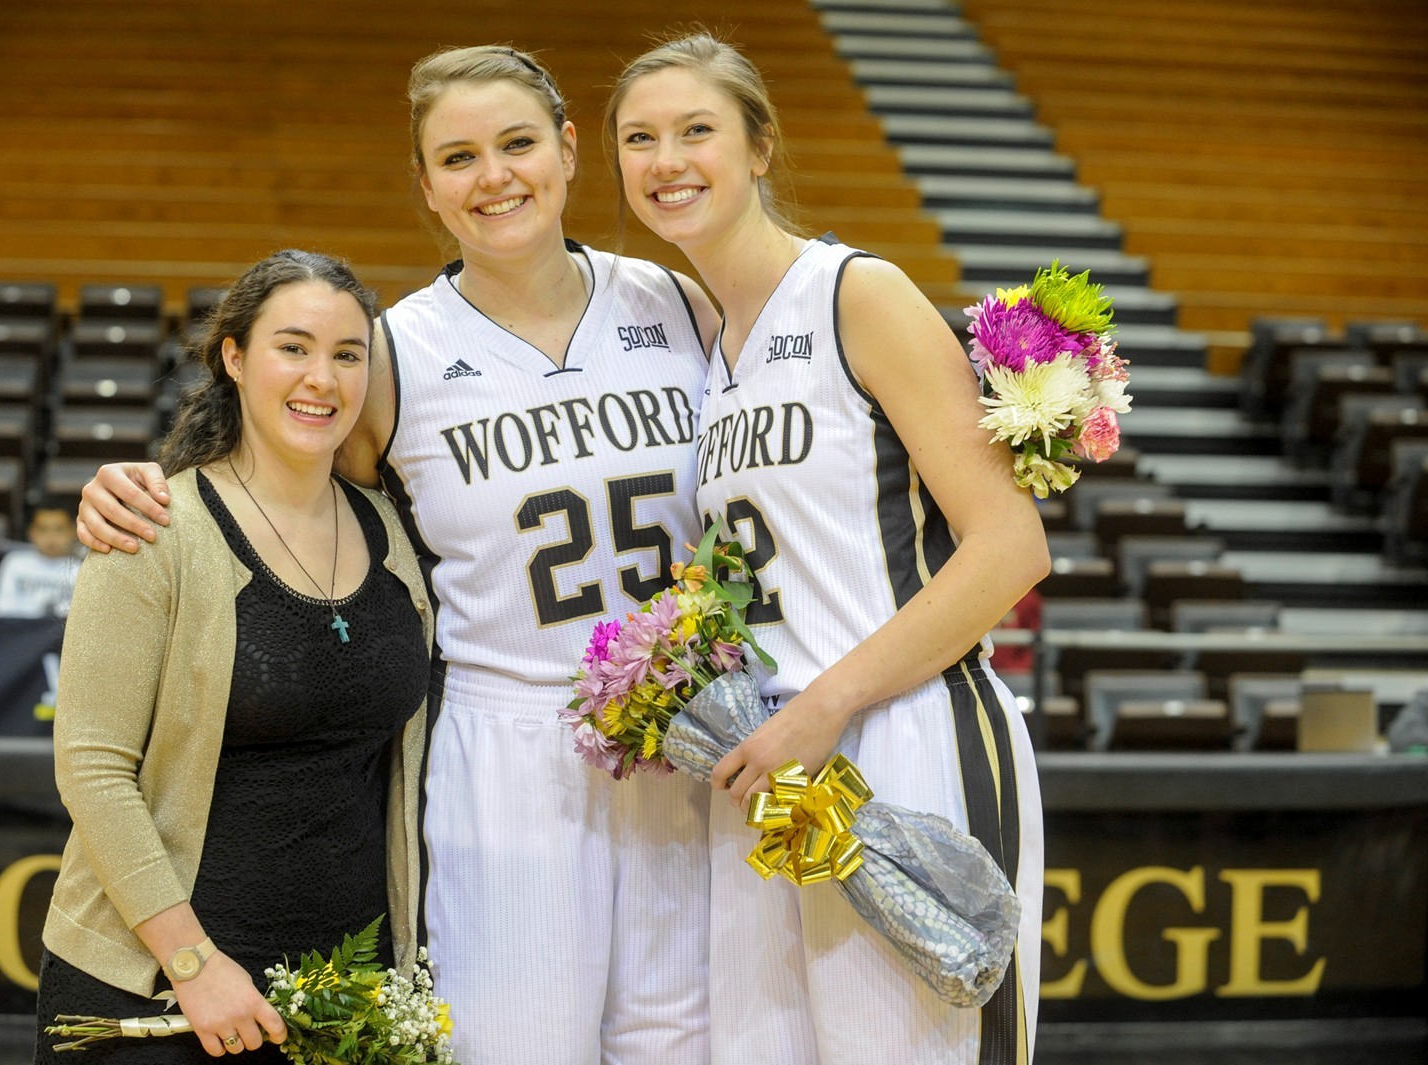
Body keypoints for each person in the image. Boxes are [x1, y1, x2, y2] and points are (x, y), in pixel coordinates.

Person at [75, 47, 719, 1065]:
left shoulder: (680, 303)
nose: (493, 175)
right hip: (508, 745)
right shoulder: (398, 351)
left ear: (564, 149)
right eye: (457, 157)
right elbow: (288, 479)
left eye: (516, 143)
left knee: (681, 1045)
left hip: (689, 739)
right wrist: (143, 483)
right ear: (425, 186)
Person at [606, 34, 1050, 1065]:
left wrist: (829, 703)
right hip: (777, 764)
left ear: (759, 148)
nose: (665, 160)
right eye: (640, 138)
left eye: (695, 131)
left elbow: (1007, 547)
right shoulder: (709, 350)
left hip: (906, 735)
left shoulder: (857, 293)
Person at [35, 250, 433, 1063]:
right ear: (235, 356)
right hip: (158, 993)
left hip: (336, 999)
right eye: (293, 346)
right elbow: (91, 766)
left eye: (346, 354)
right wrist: (194, 962)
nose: (321, 377)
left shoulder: (390, 529)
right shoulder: (151, 527)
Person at [0, 504, 82, 618]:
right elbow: (1, 610)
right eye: (43, 529)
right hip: (21, 632)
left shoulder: (81, 569)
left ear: (73, 532)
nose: (51, 537)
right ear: (32, 532)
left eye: (59, 529)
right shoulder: (15, 563)